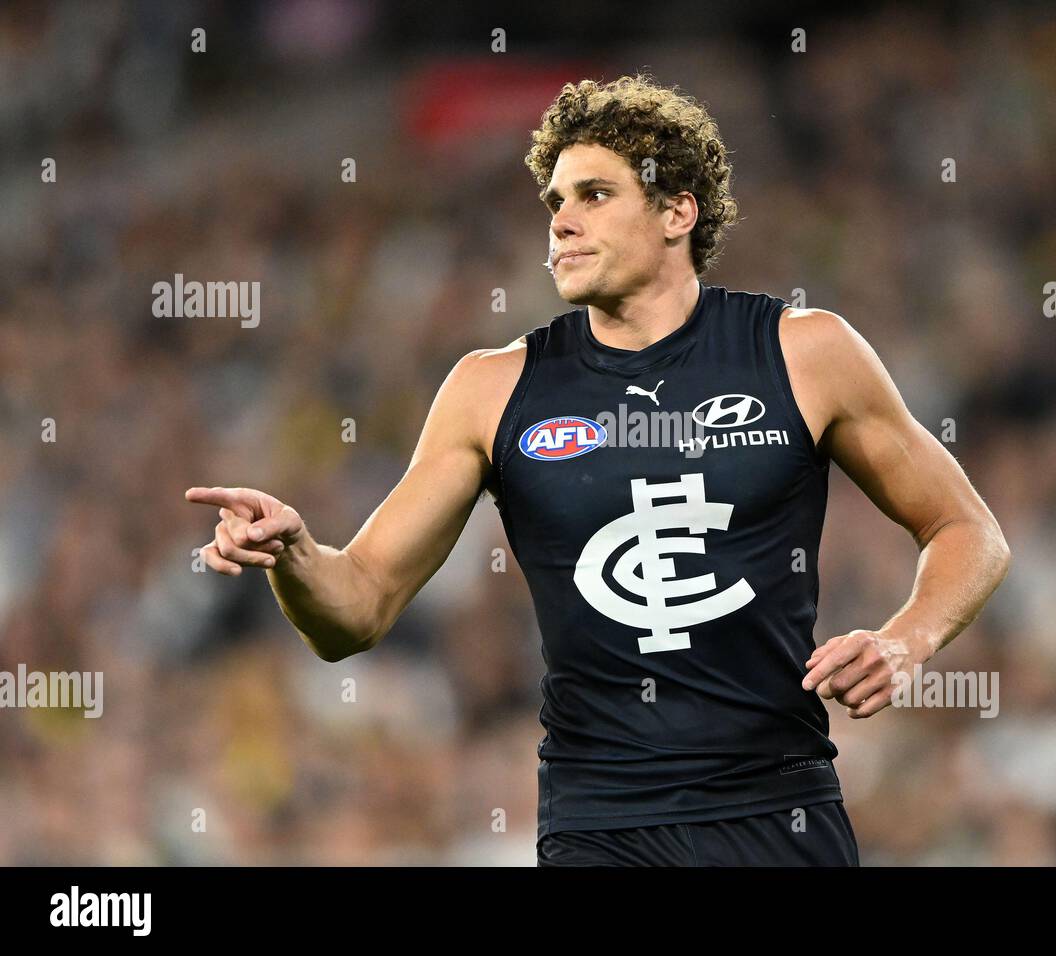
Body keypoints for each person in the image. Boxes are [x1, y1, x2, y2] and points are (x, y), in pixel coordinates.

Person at [186, 74, 1011, 867]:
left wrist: (908, 640)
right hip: (600, 821)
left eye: (594, 195)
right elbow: (355, 610)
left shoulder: (806, 354)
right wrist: (295, 556)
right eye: (554, 202)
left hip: (778, 806)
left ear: (676, 212)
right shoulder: (493, 388)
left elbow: (968, 529)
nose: (561, 223)